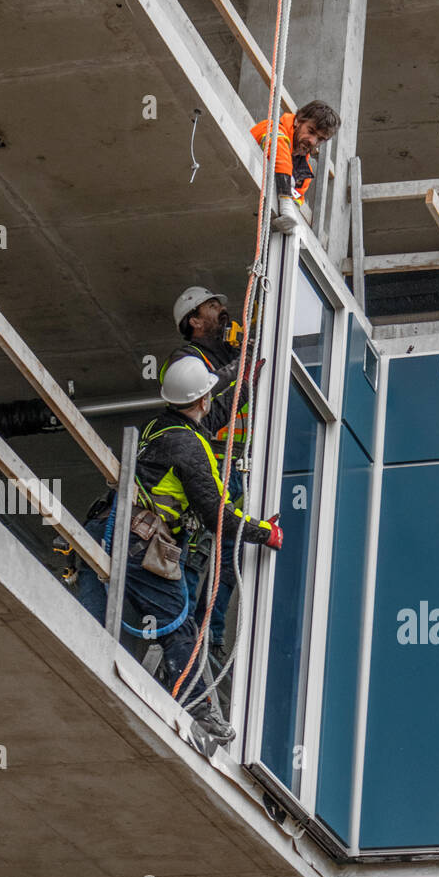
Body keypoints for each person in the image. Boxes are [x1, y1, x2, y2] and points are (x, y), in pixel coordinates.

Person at [76, 356, 282, 745]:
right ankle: (200, 713)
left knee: (88, 631)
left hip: (104, 530)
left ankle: (80, 679)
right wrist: (264, 532)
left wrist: (241, 380)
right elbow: (218, 517)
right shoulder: (190, 448)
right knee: (179, 626)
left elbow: (210, 411)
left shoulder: (162, 426)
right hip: (138, 544)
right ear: (201, 399)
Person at [162, 286, 259, 674]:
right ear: (194, 321)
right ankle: (182, 634)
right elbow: (206, 396)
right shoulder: (185, 362)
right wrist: (239, 367)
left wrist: (244, 357)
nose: (222, 310)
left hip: (240, 464)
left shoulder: (229, 357)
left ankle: (212, 636)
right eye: (212, 306)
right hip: (211, 462)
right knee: (198, 551)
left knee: (230, 557)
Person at [250, 100, 341, 233]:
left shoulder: (303, 176)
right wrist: (285, 199)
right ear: (298, 120)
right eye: (311, 131)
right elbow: (279, 152)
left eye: (320, 139)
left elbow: (297, 199)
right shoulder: (270, 128)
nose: (313, 141)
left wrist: (292, 210)